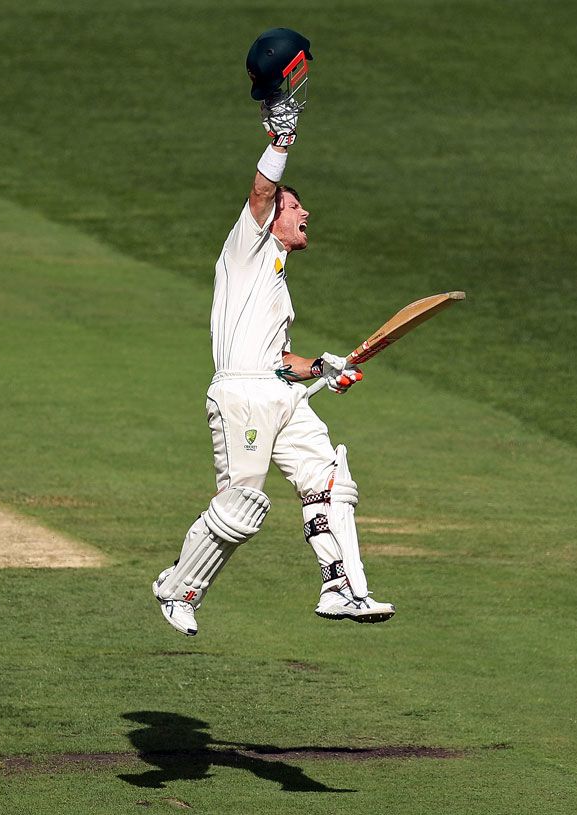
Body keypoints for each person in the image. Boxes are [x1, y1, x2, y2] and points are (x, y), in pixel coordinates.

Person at [151, 36, 395, 636]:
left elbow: (279, 359)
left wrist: (324, 367)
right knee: (243, 508)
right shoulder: (245, 246)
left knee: (329, 481)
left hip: (278, 392)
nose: (306, 214)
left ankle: (340, 589)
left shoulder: (276, 279)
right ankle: (179, 586)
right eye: (297, 207)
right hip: (241, 396)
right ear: (272, 217)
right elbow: (262, 192)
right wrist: (279, 141)